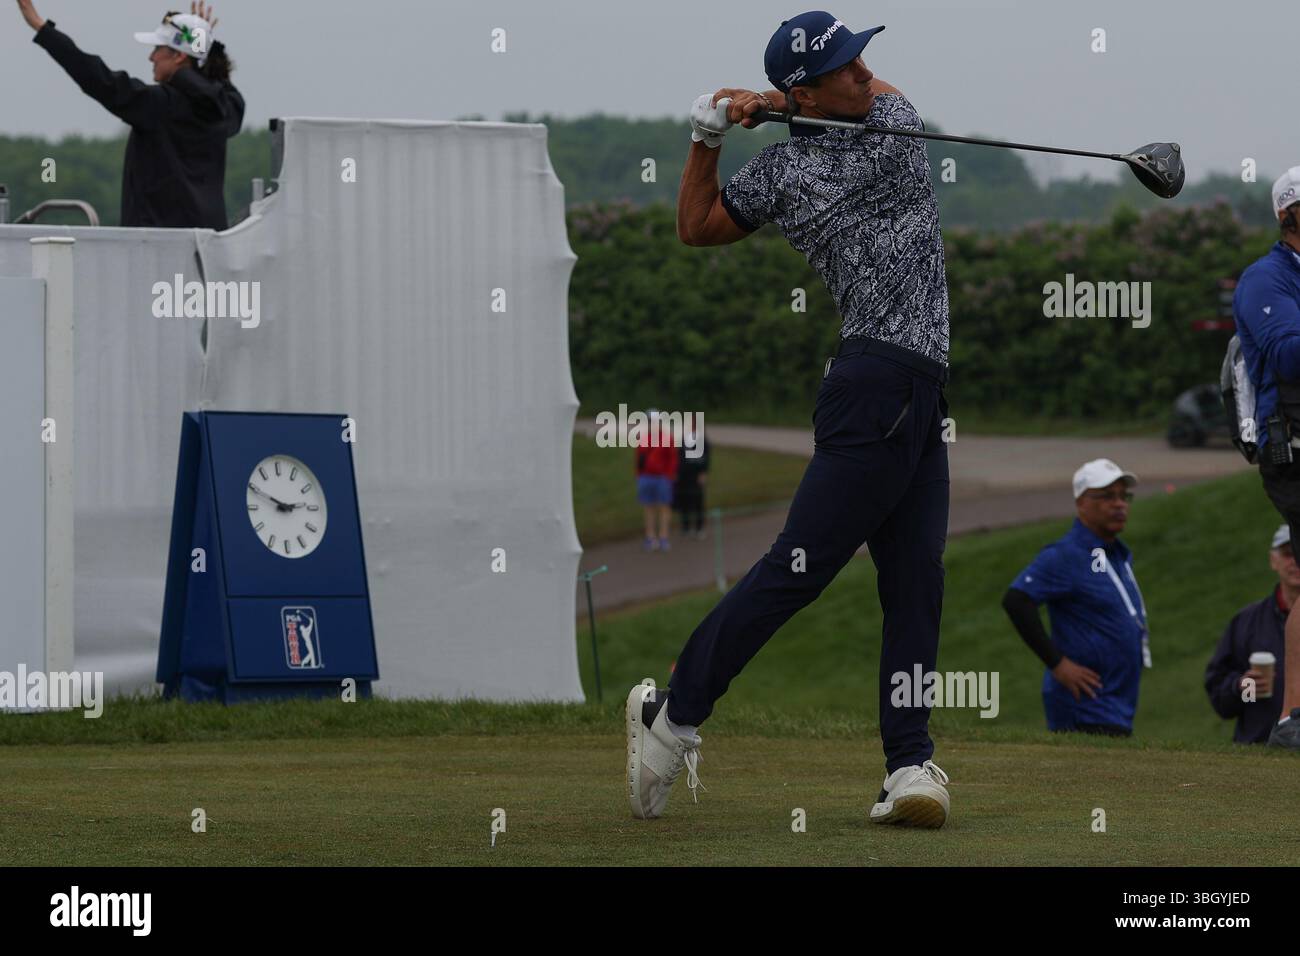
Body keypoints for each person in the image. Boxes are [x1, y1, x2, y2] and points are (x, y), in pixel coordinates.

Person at [627, 11, 954, 827]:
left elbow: (698, 224)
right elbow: (694, 233)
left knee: (917, 586)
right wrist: (767, 108)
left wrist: (712, 132)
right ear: (812, 88)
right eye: (844, 68)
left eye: (858, 61)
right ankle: (675, 715)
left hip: (916, 395)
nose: (863, 74)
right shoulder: (881, 134)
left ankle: (910, 765)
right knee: (797, 572)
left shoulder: (789, 169)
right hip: (872, 389)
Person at [18, 1, 244, 230]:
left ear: (178, 57)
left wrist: (42, 29)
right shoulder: (225, 109)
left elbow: (98, 78)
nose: (151, 57)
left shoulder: (160, 105)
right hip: (204, 252)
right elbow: (220, 83)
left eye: (158, 49)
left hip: (157, 250)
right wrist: (204, 45)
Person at [1002, 460, 1148, 737]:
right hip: (1084, 706)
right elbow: (1017, 600)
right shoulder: (1066, 554)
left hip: (1116, 704)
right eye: (1107, 496)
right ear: (1081, 503)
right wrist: (1058, 664)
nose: (1119, 504)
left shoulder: (1115, 555)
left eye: (1123, 496)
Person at [1231, 166, 1300, 749]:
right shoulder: (1265, 279)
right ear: (1290, 215)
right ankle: (1294, 718)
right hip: (1291, 449)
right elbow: (1288, 355)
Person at [1204, 524, 1292, 743]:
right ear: (1274, 560)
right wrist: (1246, 689)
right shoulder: (1247, 621)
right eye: (1288, 554)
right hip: (1258, 751)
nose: (1296, 561)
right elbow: (1221, 703)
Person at [635, 409, 679, 552]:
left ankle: (663, 537)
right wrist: (639, 475)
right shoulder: (643, 438)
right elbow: (639, 459)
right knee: (649, 508)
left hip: (662, 478)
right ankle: (650, 537)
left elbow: (672, 459)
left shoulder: (667, 438)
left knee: (664, 507)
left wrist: (669, 476)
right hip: (646, 477)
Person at [672, 426, 710, 539]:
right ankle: (686, 527)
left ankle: (699, 527)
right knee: (684, 501)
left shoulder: (702, 441)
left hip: (696, 476)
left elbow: (706, 457)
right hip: (683, 476)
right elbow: (677, 456)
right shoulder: (682, 440)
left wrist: (703, 472)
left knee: (698, 501)